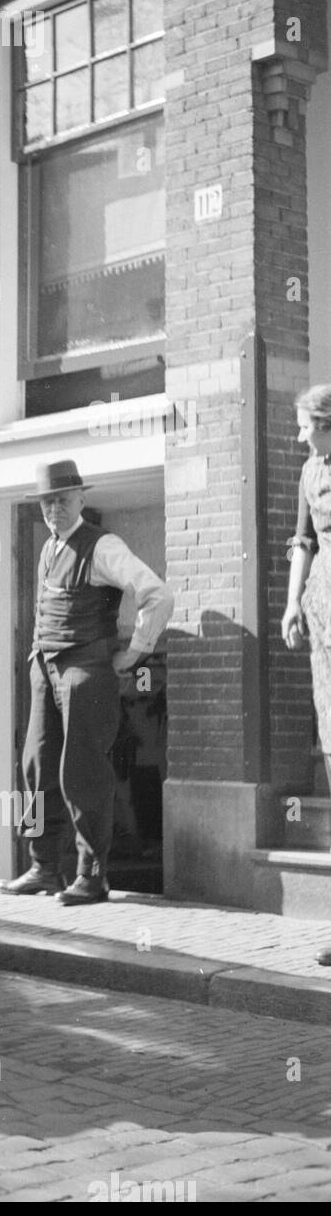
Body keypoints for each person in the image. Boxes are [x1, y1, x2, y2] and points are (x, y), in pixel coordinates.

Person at [0, 459, 173, 905]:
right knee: (36, 766)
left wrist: (135, 651)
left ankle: (91, 877)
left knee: (82, 773)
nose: (53, 508)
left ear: (81, 498)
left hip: (85, 671)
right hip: (46, 667)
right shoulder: (47, 550)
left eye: (61, 499)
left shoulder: (102, 545)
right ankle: (43, 868)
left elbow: (156, 593)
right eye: (46, 501)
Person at [281, 384, 331, 967]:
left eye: (305, 426)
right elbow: (303, 542)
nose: (300, 437)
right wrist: (294, 603)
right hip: (323, 620)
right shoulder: (307, 471)